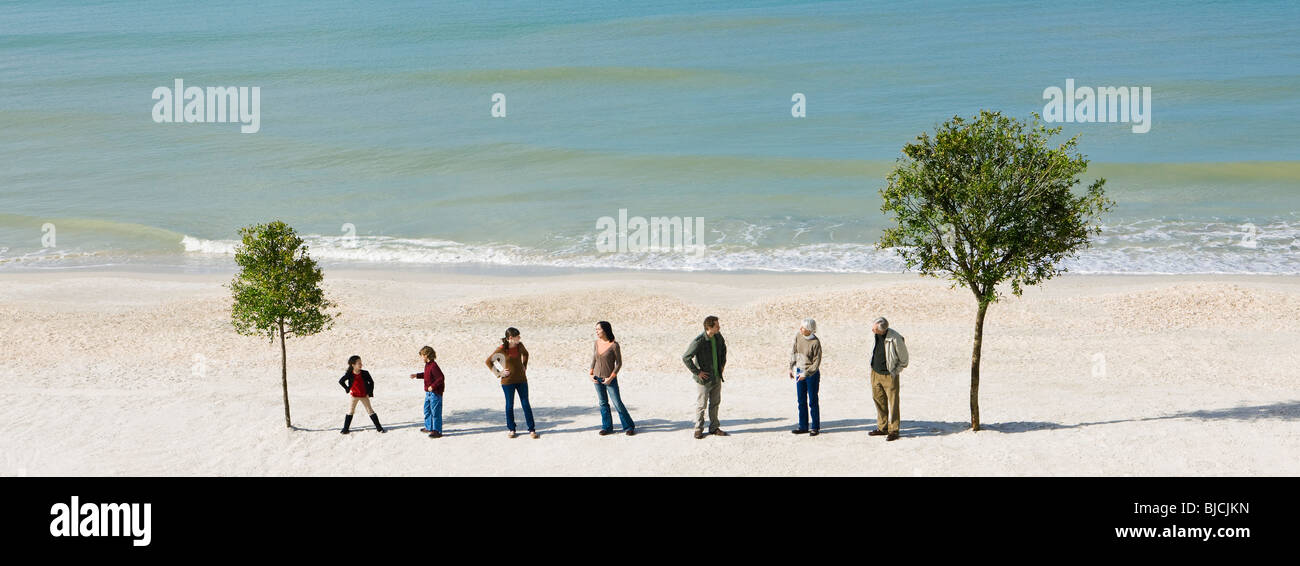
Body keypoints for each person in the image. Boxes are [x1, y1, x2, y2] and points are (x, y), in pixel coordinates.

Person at [485, 327, 539, 439]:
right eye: (517, 336)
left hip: (522, 380)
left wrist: (524, 365)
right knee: (509, 405)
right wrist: (499, 373)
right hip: (507, 382)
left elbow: (526, 354)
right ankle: (512, 429)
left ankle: (532, 429)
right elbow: (489, 361)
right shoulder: (501, 349)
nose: (519, 338)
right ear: (510, 338)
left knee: (525, 404)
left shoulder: (520, 346)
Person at [682, 315, 727, 439]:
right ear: (709, 327)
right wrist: (697, 372)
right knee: (702, 405)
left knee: (715, 404)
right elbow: (686, 357)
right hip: (704, 380)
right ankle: (698, 429)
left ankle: (714, 428)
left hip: (716, 377)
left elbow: (723, 349)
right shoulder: (699, 341)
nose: (719, 327)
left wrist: (722, 365)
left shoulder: (718, 337)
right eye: (717, 326)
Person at [590, 321, 635, 436]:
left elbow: (619, 363)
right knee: (603, 403)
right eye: (596, 329)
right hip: (597, 378)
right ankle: (607, 427)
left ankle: (629, 426)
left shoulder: (614, 345)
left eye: (598, 329)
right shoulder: (596, 343)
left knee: (617, 403)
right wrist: (591, 373)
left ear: (605, 330)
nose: (596, 331)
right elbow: (594, 359)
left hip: (609, 379)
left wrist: (611, 378)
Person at [868, 317, 908, 441]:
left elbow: (904, 360)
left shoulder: (895, 338)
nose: (872, 330)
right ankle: (882, 427)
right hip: (875, 373)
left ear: (882, 330)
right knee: (879, 400)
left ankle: (894, 430)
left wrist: (895, 372)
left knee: (893, 403)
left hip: (890, 375)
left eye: (875, 329)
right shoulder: (875, 335)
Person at [789, 318, 823, 436]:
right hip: (799, 371)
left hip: (811, 374)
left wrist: (806, 374)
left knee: (813, 401)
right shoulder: (798, 336)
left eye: (803, 328)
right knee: (801, 400)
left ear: (809, 330)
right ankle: (803, 426)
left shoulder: (815, 342)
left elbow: (816, 362)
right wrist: (791, 367)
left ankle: (815, 427)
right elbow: (794, 351)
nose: (800, 329)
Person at [338, 355, 385, 434]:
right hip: (354, 396)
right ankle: (345, 429)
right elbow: (341, 381)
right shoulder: (349, 374)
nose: (361, 364)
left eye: (361, 363)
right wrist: (347, 388)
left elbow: (371, 382)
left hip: (364, 396)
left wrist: (369, 393)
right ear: (353, 365)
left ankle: (379, 428)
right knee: (350, 411)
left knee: (370, 411)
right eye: (359, 363)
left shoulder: (365, 373)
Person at [409, 346, 445, 438]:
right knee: (427, 410)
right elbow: (427, 375)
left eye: (422, 355)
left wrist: (433, 386)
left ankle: (437, 431)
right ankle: (429, 427)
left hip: (435, 393)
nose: (421, 358)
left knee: (435, 412)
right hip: (428, 393)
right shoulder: (428, 365)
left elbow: (441, 378)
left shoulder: (434, 366)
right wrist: (417, 375)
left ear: (426, 355)